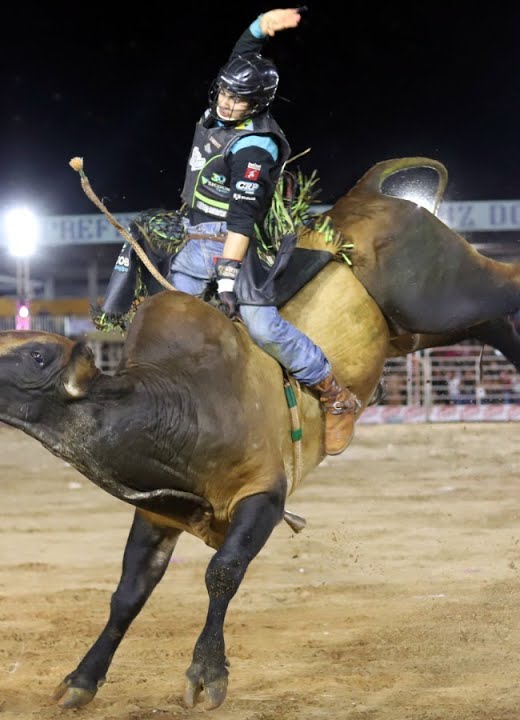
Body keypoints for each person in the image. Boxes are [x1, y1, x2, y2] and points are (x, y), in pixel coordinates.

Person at [165, 8, 362, 455]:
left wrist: (229, 276)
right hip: (192, 232)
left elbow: (242, 217)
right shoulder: (224, 103)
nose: (228, 103)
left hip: (237, 242)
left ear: (257, 105)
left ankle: (334, 393)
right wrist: (259, 26)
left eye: (239, 99)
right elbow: (242, 57)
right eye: (226, 92)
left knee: (261, 325)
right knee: (166, 312)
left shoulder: (255, 145)